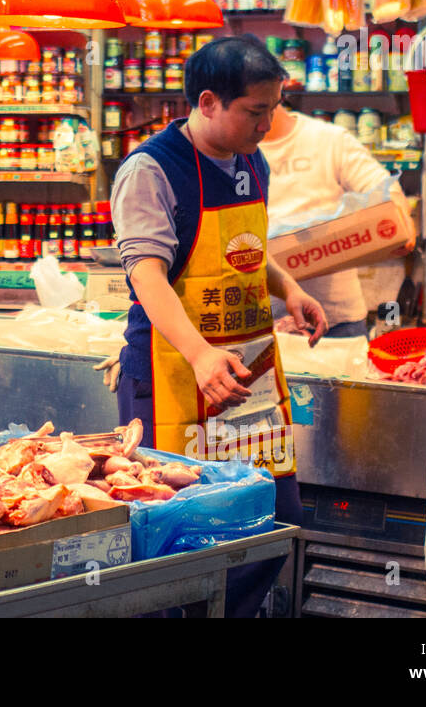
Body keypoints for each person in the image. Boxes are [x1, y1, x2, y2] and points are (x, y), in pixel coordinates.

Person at [110, 35, 326, 617]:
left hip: (247, 377)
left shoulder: (250, 159)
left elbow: (249, 247)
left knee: (272, 520)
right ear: (208, 102)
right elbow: (147, 277)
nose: (268, 124)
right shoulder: (151, 170)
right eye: (256, 111)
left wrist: (292, 288)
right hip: (174, 374)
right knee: (173, 532)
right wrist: (201, 354)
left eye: (274, 108)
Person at [258, 102, 412, 338]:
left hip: (337, 320)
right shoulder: (227, 146)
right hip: (257, 320)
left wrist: (400, 218)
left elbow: (382, 188)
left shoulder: (328, 139)